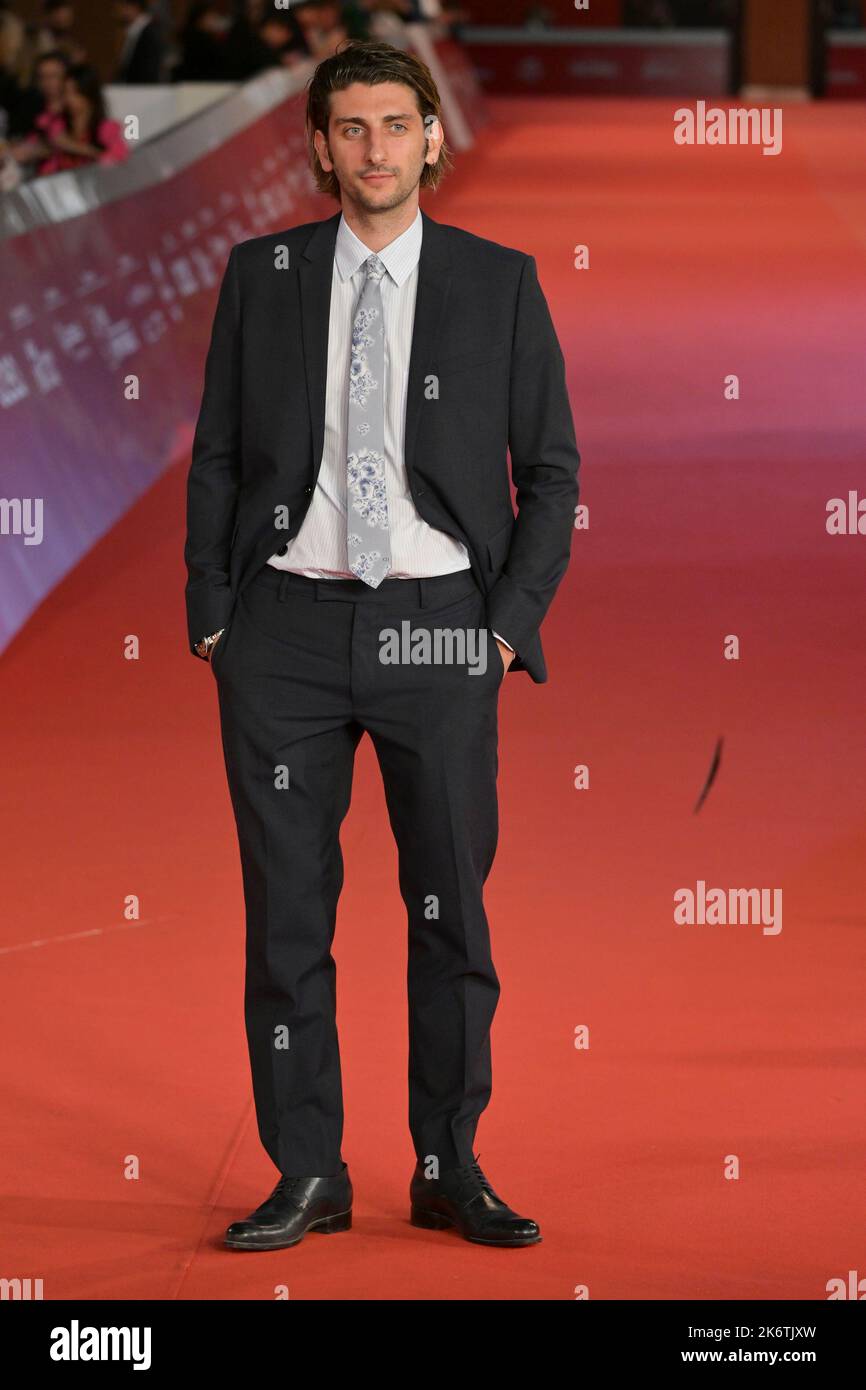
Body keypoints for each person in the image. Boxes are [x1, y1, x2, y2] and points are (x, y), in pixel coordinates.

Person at [184, 38, 579, 1251]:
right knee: (286, 918)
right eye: (348, 129)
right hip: (286, 635)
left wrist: (503, 631)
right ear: (317, 146)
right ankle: (308, 1171)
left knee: (449, 910)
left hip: (437, 631)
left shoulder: (496, 282)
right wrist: (213, 613)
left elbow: (551, 474)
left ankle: (446, 1161)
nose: (372, 149)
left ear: (431, 138)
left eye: (393, 126)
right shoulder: (264, 274)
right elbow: (215, 455)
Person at [35, 62, 129, 175]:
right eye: (65, 92)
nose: (69, 99)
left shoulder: (106, 129)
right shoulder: (55, 125)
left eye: (76, 93)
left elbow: (119, 159)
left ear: (89, 95)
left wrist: (78, 148)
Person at [114, 0, 166, 83]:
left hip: (142, 90)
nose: (118, 12)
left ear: (134, 7)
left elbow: (150, 70)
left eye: (121, 7)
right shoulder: (132, 31)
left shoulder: (151, 32)